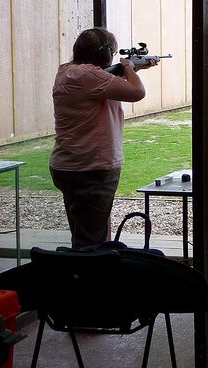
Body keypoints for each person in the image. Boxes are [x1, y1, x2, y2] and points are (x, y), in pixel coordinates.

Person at [49, 27, 158, 249]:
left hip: (70, 166)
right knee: (92, 244)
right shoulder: (88, 76)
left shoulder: (68, 72)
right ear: (105, 53)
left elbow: (104, 84)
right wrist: (128, 67)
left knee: (85, 234)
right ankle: (91, 271)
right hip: (91, 169)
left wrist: (133, 68)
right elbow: (137, 92)